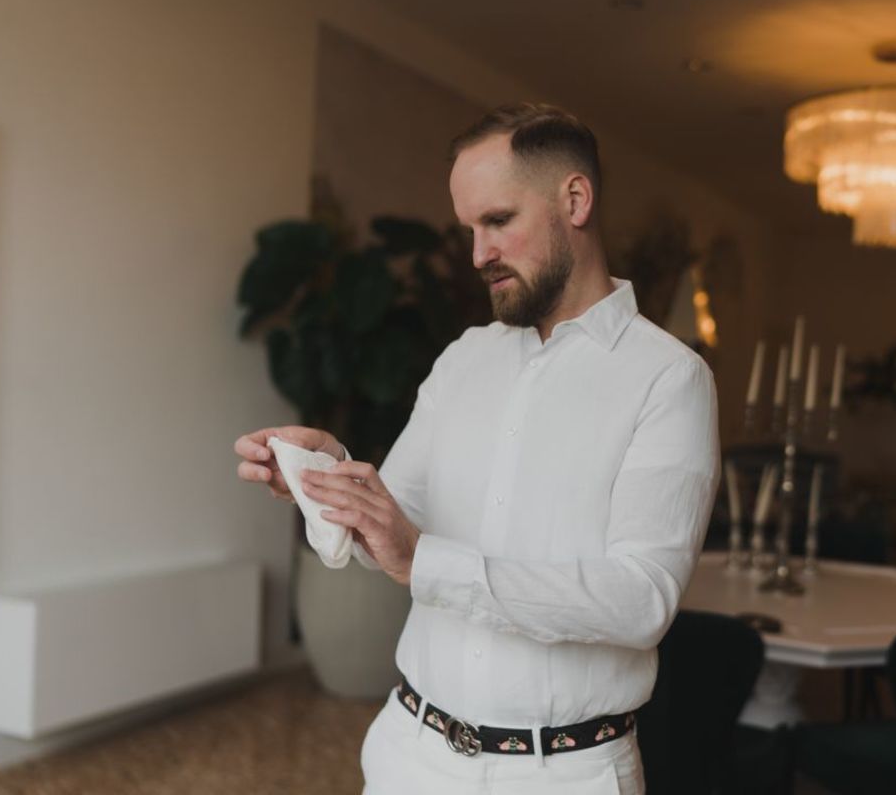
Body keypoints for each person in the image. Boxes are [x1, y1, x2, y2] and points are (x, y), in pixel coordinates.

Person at [234, 103, 719, 794]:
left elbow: (641, 600)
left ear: (575, 199)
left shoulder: (669, 379)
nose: (477, 255)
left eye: (497, 221)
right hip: (410, 751)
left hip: (562, 775)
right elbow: (393, 532)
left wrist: (426, 560)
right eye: (470, 229)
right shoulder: (464, 357)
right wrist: (329, 477)